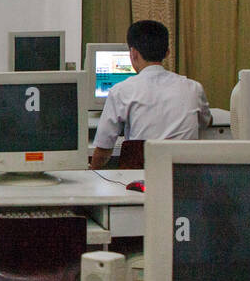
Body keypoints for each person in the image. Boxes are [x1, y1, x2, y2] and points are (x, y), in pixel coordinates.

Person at [89, 20, 211, 169]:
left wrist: (91, 172)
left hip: (138, 182)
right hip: (184, 180)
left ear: (133, 54)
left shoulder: (121, 91)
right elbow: (206, 122)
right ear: (167, 52)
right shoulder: (194, 88)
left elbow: (103, 148)